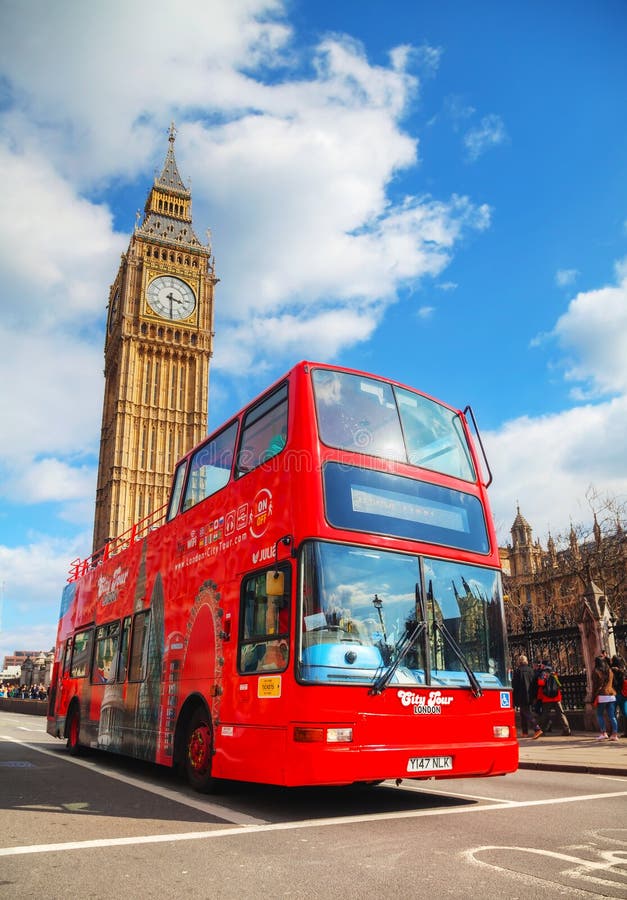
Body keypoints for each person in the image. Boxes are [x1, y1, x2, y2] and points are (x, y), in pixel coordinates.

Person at [532, 659, 571, 738]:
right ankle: (566, 729)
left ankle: (542, 730)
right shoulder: (554, 672)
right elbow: (558, 684)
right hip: (556, 697)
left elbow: (540, 683)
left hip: (547, 697)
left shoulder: (544, 673)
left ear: (543, 665)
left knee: (544, 715)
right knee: (561, 714)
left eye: (541, 665)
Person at [591, 655, 619, 741]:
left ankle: (603, 733)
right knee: (612, 716)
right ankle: (614, 734)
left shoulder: (596, 671)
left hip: (602, 695)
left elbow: (595, 686)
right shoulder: (609, 671)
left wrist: (593, 696)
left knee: (599, 714)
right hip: (611, 695)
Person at [512, 654, 538, 737]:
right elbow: (535, 684)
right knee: (523, 713)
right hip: (530, 694)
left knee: (526, 713)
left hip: (521, 695)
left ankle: (537, 728)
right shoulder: (531, 670)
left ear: (519, 661)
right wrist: (535, 696)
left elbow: (514, 685)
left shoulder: (517, 671)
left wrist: (514, 698)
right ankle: (525, 732)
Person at [610, 655, 626, 737]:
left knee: (613, 713)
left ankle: (614, 732)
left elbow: (613, 683)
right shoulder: (623, 671)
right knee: (625, 713)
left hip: (615, 695)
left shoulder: (612, 671)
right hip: (624, 695)